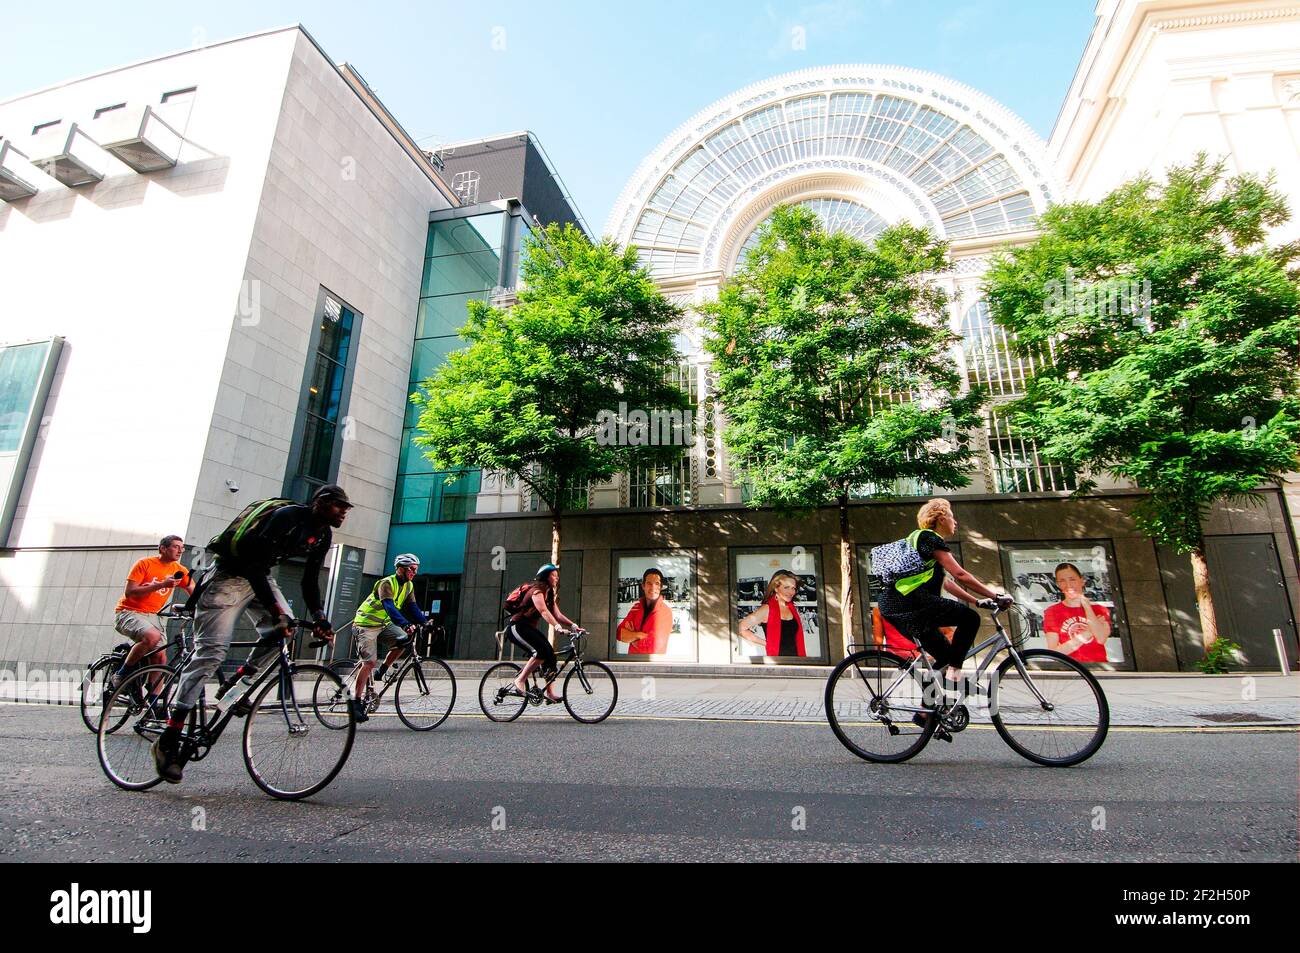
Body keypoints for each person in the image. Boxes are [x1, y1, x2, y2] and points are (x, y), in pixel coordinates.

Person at [152, 485, 350, 783]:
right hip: (229, 577)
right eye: (338, 506)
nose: (344, 511)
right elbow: (254, 564)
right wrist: (275, 610)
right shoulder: (287, 517)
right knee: (211, 654)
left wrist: (320, 617)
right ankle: (170, 735)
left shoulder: (323, 534)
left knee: (285, 630)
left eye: (346, 507)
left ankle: (234, 684)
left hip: (260, 578)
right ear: (320, 503)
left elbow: (310, 580)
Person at [877, 499, 1010, 714]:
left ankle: (924, 714)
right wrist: (996, 595)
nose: (955, 522)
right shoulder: (930, 538)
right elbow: (960, 573)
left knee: (945, 658)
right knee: (970, 619)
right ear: (940, 519)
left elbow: (948, 582)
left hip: (899, 604)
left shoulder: (920, 544)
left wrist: (977, 601)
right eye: (951, 516)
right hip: (909, 602)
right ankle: (955, 673)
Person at [110, 535, 194, 701]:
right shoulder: (145, 564)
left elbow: (193, 590)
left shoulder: (180, 571)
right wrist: (161, 585)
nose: (180, 550)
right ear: (163, 548)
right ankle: (121, 674)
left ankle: (153, 704)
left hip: (153, 617)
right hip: (128, 612)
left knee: (161, 657)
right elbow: (130, 591)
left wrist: (201, 609)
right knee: (153, 637)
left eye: (182, 547)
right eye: (176, 547)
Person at [349, 553, 428, 717]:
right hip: (365, 625)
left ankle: (382, 671)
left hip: (383, 624)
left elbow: (413, 607)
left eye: (416, 569)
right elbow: (390, 608)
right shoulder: (386, 583)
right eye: (412, 569)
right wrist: (405, 624)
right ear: (400, 569)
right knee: (369, 663)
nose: (414, 572)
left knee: (404, 639)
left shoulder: (408, 586)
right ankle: (355, 702)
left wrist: (426, 623)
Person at [505, 564, 579, 703]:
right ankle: (520, 680)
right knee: (540, 652)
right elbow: (544, 611)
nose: (557, 578)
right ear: (545, 577)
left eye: (557, 576)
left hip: (528, 628)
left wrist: (574, 626)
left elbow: (557, 614)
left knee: (549, 654)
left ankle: (550, 694)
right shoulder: (537, 591)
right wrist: (557, 628)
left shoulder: (549, 594)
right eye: (553, 575)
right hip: (517, 628)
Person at [1043, 562, 1111, 662]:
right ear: (1058, 584)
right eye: (1062, 581)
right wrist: (1088, 632)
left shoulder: (1099, 610)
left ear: (1082, 581)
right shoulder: (1052, 612)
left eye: (1072, 579)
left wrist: (1087, 606)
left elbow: (1101, 638)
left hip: (1099, 668)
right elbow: (1054, 653)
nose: (1068, 585)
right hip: (1071, 670)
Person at [738, 570, 806, 657]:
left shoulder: (791, 608)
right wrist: (767, 644)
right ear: (776, 588)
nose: (791, 592)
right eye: (786, 587)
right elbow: (740, 628)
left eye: (793, 588)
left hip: (797, 661)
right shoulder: (767, 609)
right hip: (778, 662)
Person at [616, 567, 673, 655]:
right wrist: (639, 635)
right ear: (643, 586)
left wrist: (632, 637)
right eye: (649, 583)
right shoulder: (637, 607)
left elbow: (652, 648)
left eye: (657, 583)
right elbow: (619, 633)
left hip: (654, 666)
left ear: (661, 587)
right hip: (631, 662)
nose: (653, 587)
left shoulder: (665, 612)